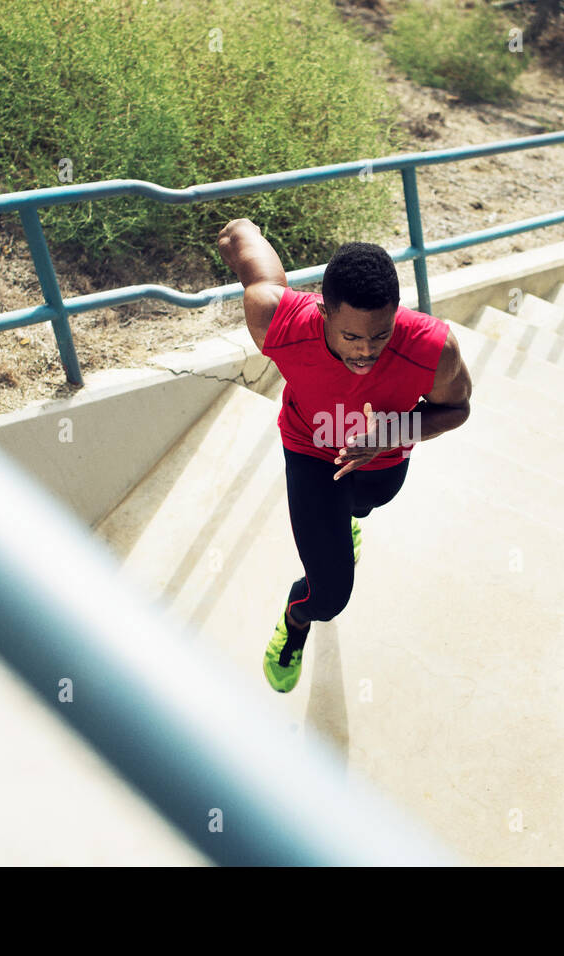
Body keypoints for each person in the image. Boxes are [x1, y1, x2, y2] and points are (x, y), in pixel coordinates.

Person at [217, 219, 473, 693]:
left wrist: (394, 432)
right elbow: (257, 272)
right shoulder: (282, 323)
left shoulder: (434, 350)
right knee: (331, 595)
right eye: (352, 337)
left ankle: (349, 520)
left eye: (380, 335)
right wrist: (237, 233)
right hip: (312, 454)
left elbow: (457, 409)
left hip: (383, 463)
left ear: (397, 314)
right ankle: (295, 621)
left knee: (369, 503)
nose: (367, 351)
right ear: (325, 312)